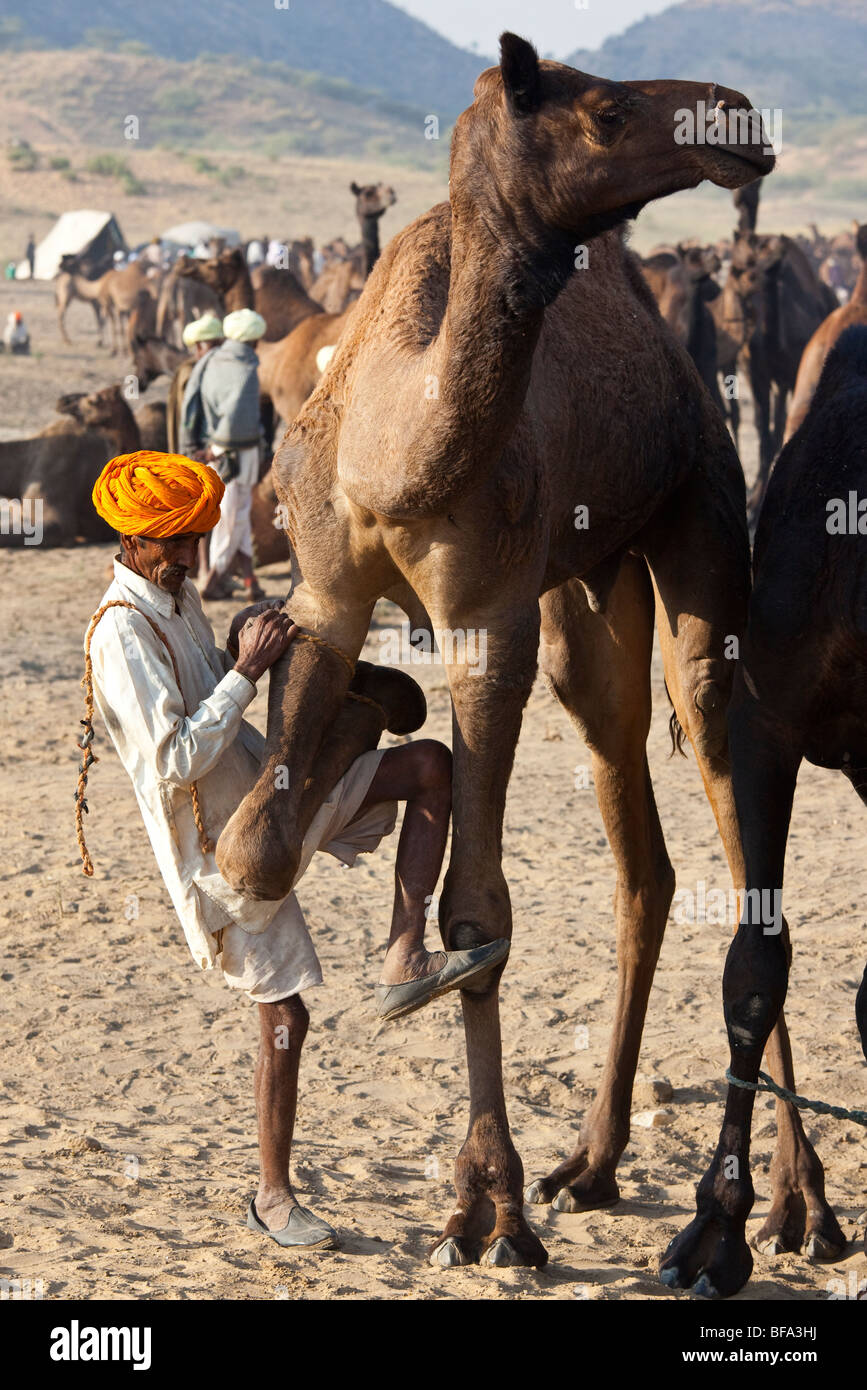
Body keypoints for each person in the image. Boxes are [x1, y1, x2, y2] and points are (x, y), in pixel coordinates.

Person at [83, 449, 505, 1248]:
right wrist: (244, 672)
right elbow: (172, 759)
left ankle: (404, 955)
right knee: (286, 1016)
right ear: (135, 541)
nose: (188, 557)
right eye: (174, 544)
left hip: (274, 798)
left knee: (427, 768)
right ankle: (272, 1198)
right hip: (221, 858)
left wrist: (241, 648)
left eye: (193, 541)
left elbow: (210, 683)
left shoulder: (175, 600)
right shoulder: (120, 636)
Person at [180, 308, 267, 602]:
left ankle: (250, 580)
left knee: (238, 515)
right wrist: (221, 446)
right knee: (232, 517)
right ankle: (212, 581)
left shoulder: (211, 363)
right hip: (235, 455)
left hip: (216, 452)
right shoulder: (245, 368)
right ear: (253, 340)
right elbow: (237, 422)